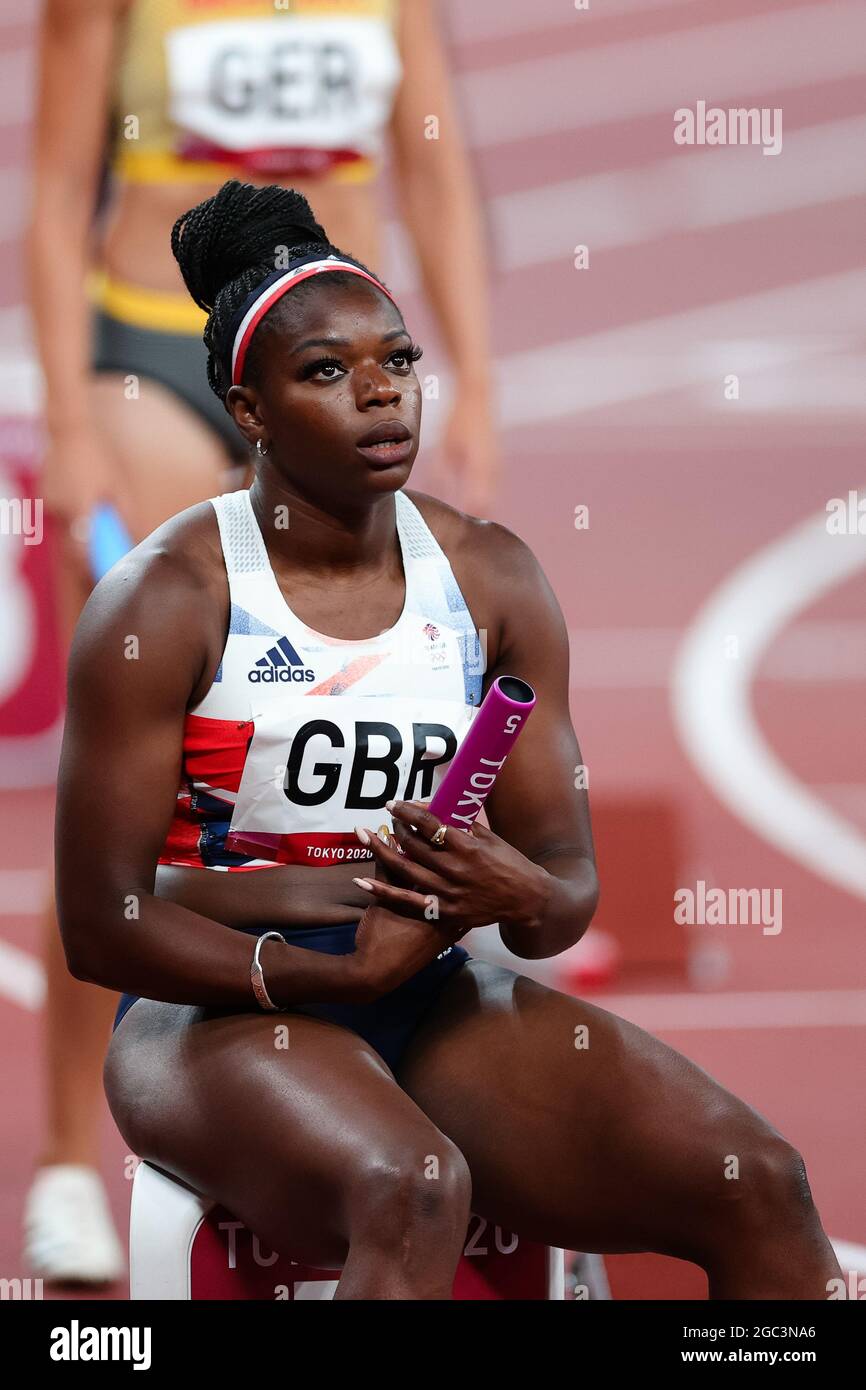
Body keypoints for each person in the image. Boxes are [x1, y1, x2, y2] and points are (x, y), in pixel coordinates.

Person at [58, 181, 841, 1300]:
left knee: (758, 1179)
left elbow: (563, 896)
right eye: (326, 372)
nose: (380, 395)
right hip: (211, 1016)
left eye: (397, 360)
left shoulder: (489, 579)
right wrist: (306, 968)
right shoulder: (167, 600)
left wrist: (508, 886)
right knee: (412, 1182)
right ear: (250, 410)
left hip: (425, 992)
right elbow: (102, 923)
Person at [25, 0, 496, 1283]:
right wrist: (65, 420)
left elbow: (433, 167)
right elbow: (59, 180)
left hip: (332, 356)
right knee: (135, 781)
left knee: (318, 752)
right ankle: (70, 1159)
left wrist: (480, 389)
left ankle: (357, 1050)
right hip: (149, 357)